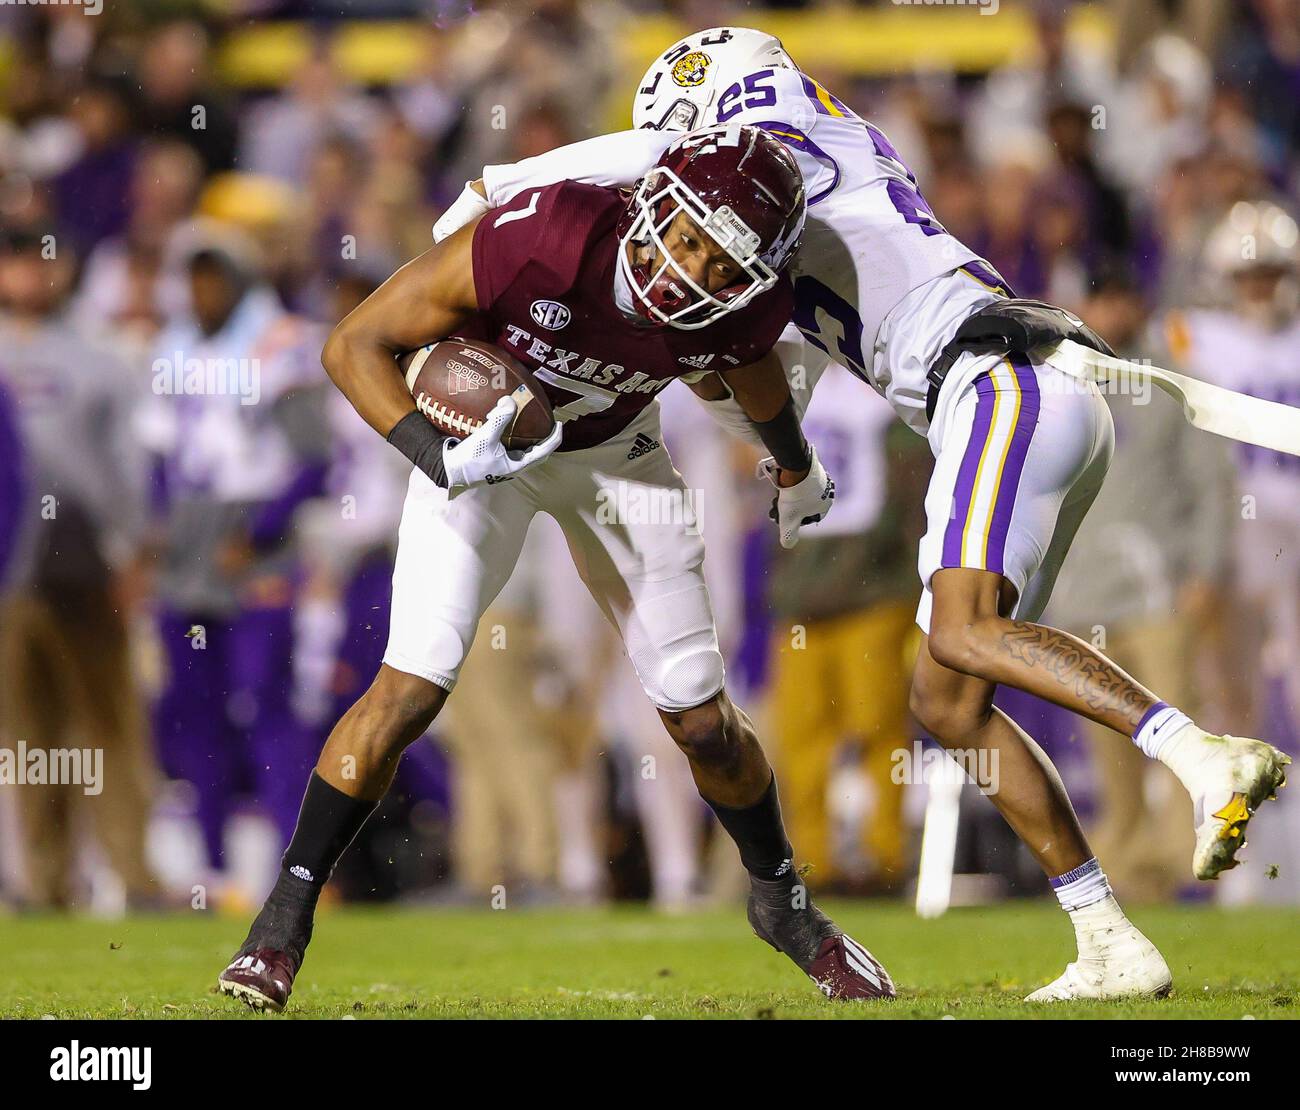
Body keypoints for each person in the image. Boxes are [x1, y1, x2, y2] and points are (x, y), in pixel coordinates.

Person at [440, 26, 1292, 1001]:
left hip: (999, 387)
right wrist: (788, 462)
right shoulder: (797, 173)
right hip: (1011, 396)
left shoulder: (772, 153)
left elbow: (633, 165)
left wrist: (490, 187)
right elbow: (733, 359)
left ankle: (1199, 753)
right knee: (946, 701)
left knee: (968, 634)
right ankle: (1105, 935)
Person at [217, 125, 895, 1012]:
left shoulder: (740, 311)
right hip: (482, 453)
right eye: (685, 236)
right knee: (408, 690)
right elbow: (352, 343)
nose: (686, 270)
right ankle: (280, 925)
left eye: (722, 264)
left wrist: (794, 462)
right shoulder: (547, 234)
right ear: (653, 205)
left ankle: (786, 906)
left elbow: (749, 366)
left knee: (701, 718)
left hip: (618, 456)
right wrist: (435, 453)